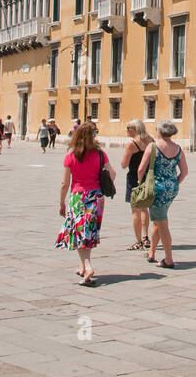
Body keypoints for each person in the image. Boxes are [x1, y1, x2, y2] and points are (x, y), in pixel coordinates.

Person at [56, 122, 115, 286]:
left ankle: (88, 267)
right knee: (87, 232)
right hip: (96, 197)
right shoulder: (100, 155)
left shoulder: (71, 156)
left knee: (80, 232)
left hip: (78, 198)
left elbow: (65, 183)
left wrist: (62, 203)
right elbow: (113, 174)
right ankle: (82, 266)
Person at [138, 119, 188, 269]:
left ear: (159, 132)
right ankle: (152, 252)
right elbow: (184, 172)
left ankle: (169, 258)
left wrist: (141, 184)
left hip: (156, 188)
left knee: (162, 223)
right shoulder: (178, 149)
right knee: (158, 220)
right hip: (171, 188)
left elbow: (141, 169)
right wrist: (173, 183)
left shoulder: (153, 147)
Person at [121, 120, 152, 251]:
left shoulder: (132, 144)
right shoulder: (151, 140)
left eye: (128, 128)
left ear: (135, 129)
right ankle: (146, 238)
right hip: (148, 177)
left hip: (135, 177)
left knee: (135, 211)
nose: (127, 130)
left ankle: (138, 241)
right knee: (145, 208)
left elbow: (123, 164)